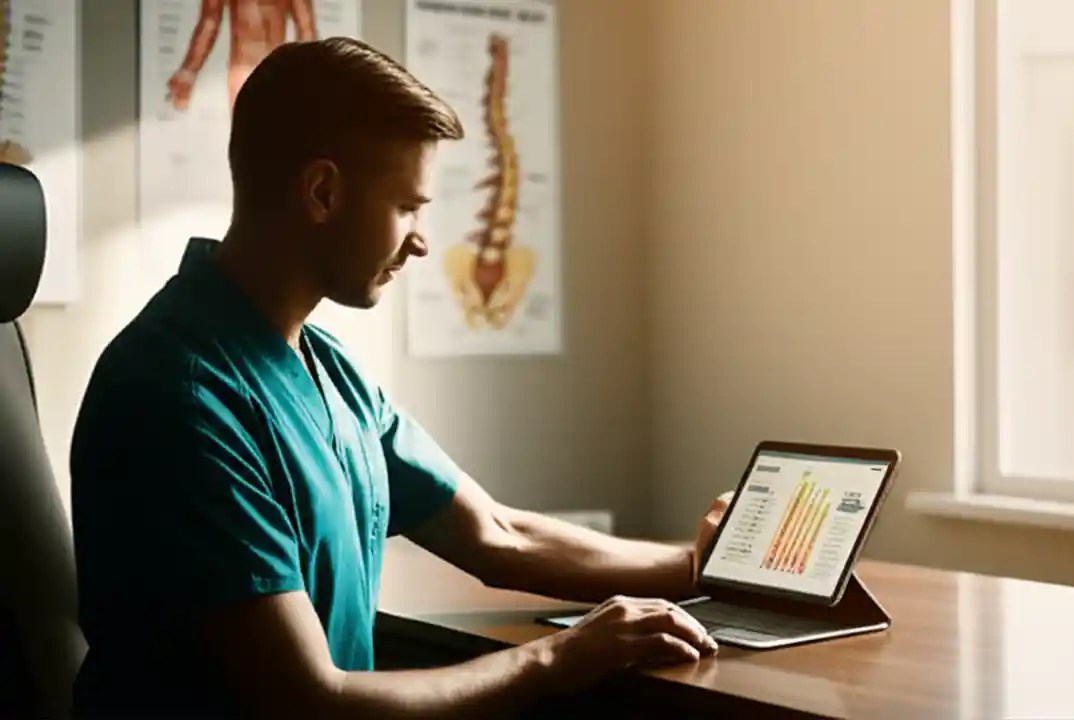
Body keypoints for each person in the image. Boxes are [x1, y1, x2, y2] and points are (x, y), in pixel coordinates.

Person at [71, 37, 732, 718]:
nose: (420, 240)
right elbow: (312, 700)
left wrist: (700, 566)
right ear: (322, 191)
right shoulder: (182, 397)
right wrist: (558, 657)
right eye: (408, 207)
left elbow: (498, 535)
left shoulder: (324, 367)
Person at [166, 0, 317, 112]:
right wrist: (188, 72)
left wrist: (188, 72)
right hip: (258, 70)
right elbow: (305, 27)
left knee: (260, 144)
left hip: (254, 70)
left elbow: (210, 21)